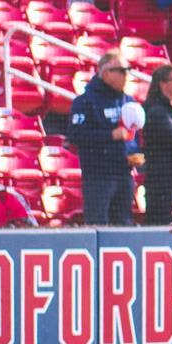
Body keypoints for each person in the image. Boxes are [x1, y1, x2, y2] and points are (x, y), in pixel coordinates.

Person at [69, 53, 137, 226]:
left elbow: (134, 134)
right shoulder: (85, 102)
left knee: (123, 227)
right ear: (106, 73)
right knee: (98, 225)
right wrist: (110, 135)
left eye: (128, 70)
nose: (126, 75)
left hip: (124, 175)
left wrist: (134, 153)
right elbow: (76, 135)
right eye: (121, 71)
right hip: (98, 176)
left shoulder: (128, 102)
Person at [140, 65, 172, 229]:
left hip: (170, 181)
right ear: (163, 84)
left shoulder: (171, 109)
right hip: (162, 185)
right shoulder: (157, 111)